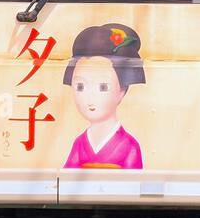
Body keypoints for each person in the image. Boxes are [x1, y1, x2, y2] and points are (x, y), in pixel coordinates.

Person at [62, 23, 145, 169]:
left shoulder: (129, 146)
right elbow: (67, 179)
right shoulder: (80, 143)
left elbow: (132, 186)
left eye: (103, 87)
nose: (90, 97)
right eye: (80, 86)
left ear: (122, 91)